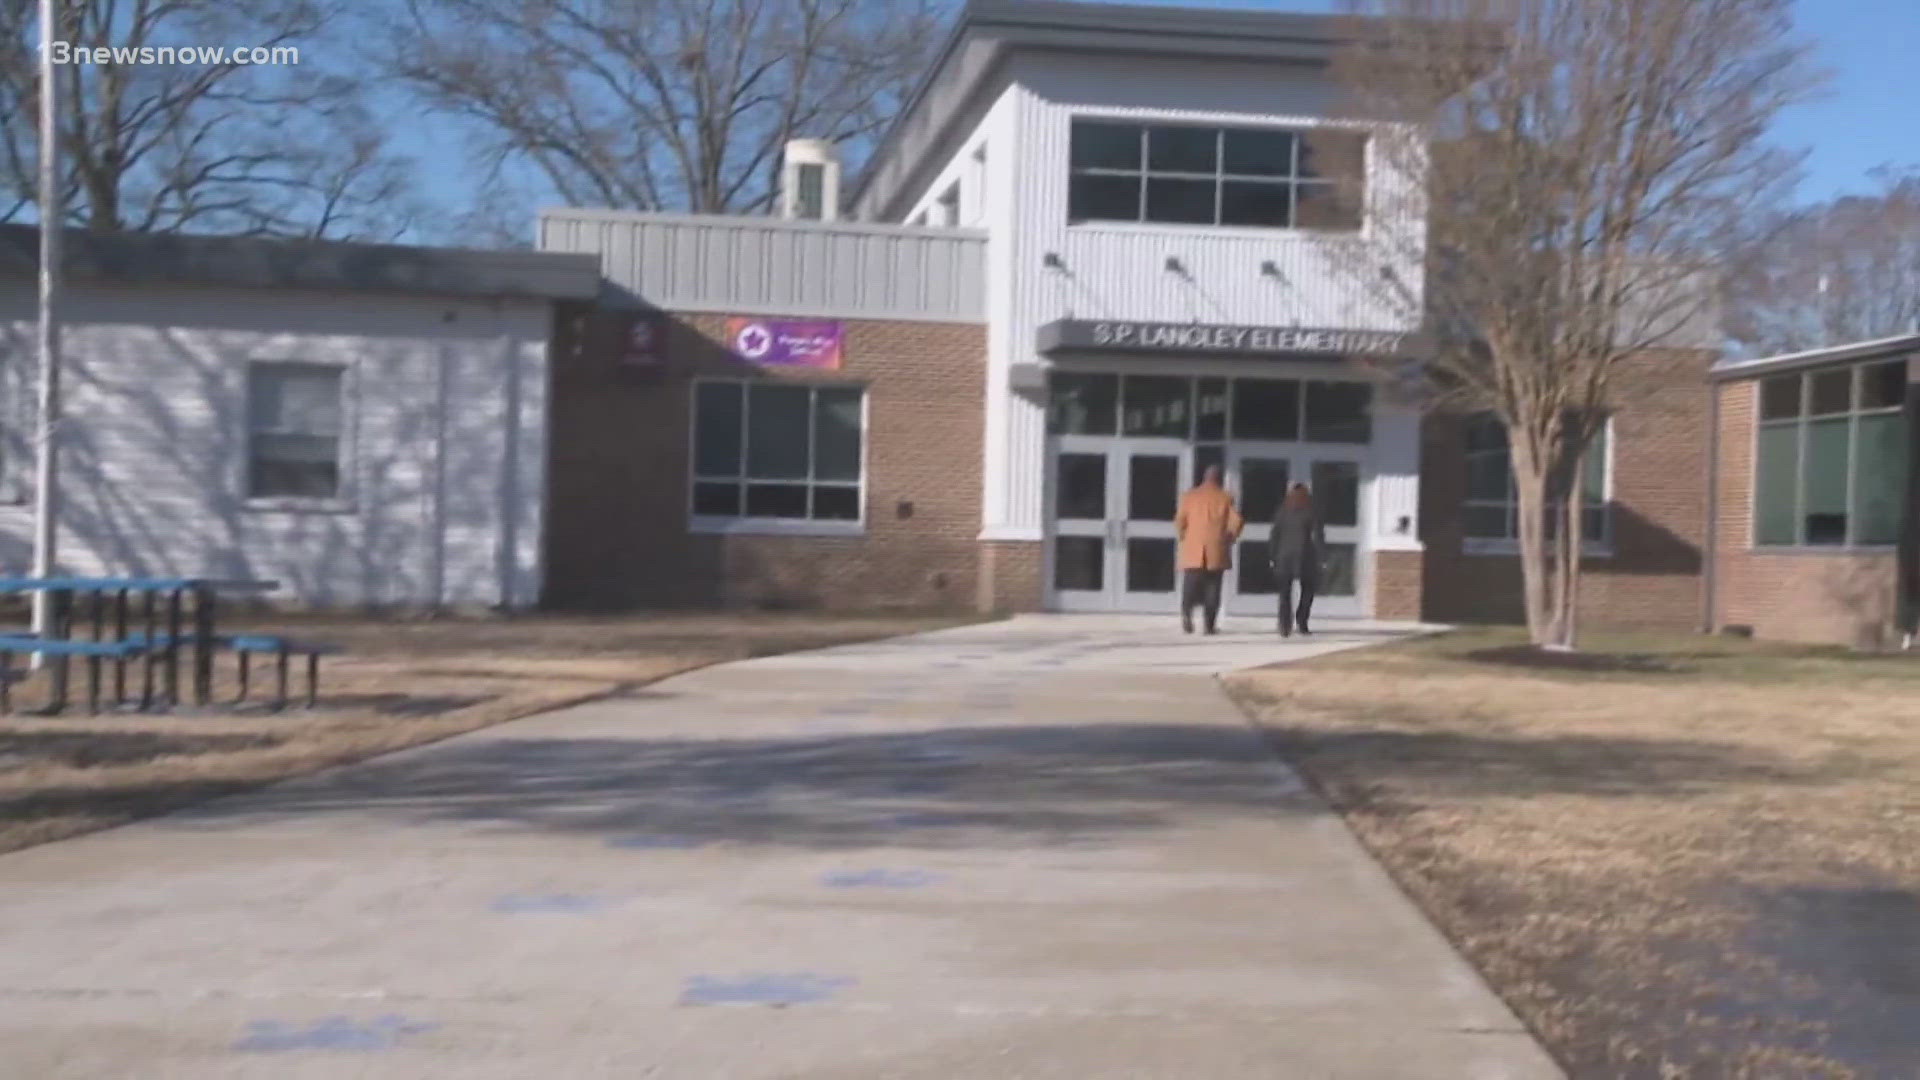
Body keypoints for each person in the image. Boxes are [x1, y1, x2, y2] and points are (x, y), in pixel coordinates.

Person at [1174, 464, 1244, 635]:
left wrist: (1184, 536)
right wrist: (1230, 537)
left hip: (1193, 548)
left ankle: (1187, 615)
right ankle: (1209, 625)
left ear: (1204, 478)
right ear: (1219, 479)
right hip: (1216, 549)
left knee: (1190, 585)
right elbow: (1237, 521)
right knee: (1213, 587)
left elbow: (1179, 521)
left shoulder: (1189, 497)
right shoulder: (1225, 498)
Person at [1269, 482, 1326, 638]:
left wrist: (1272, 556)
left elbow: (1275, 535)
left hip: (1284, 556)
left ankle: (1284, 625)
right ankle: (1302, 622)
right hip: (1305, 556)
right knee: (1307, 591)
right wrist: (1322, 557)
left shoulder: (1282, 511)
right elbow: (1318, 536)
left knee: (1284, 593)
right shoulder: (1311, 512)